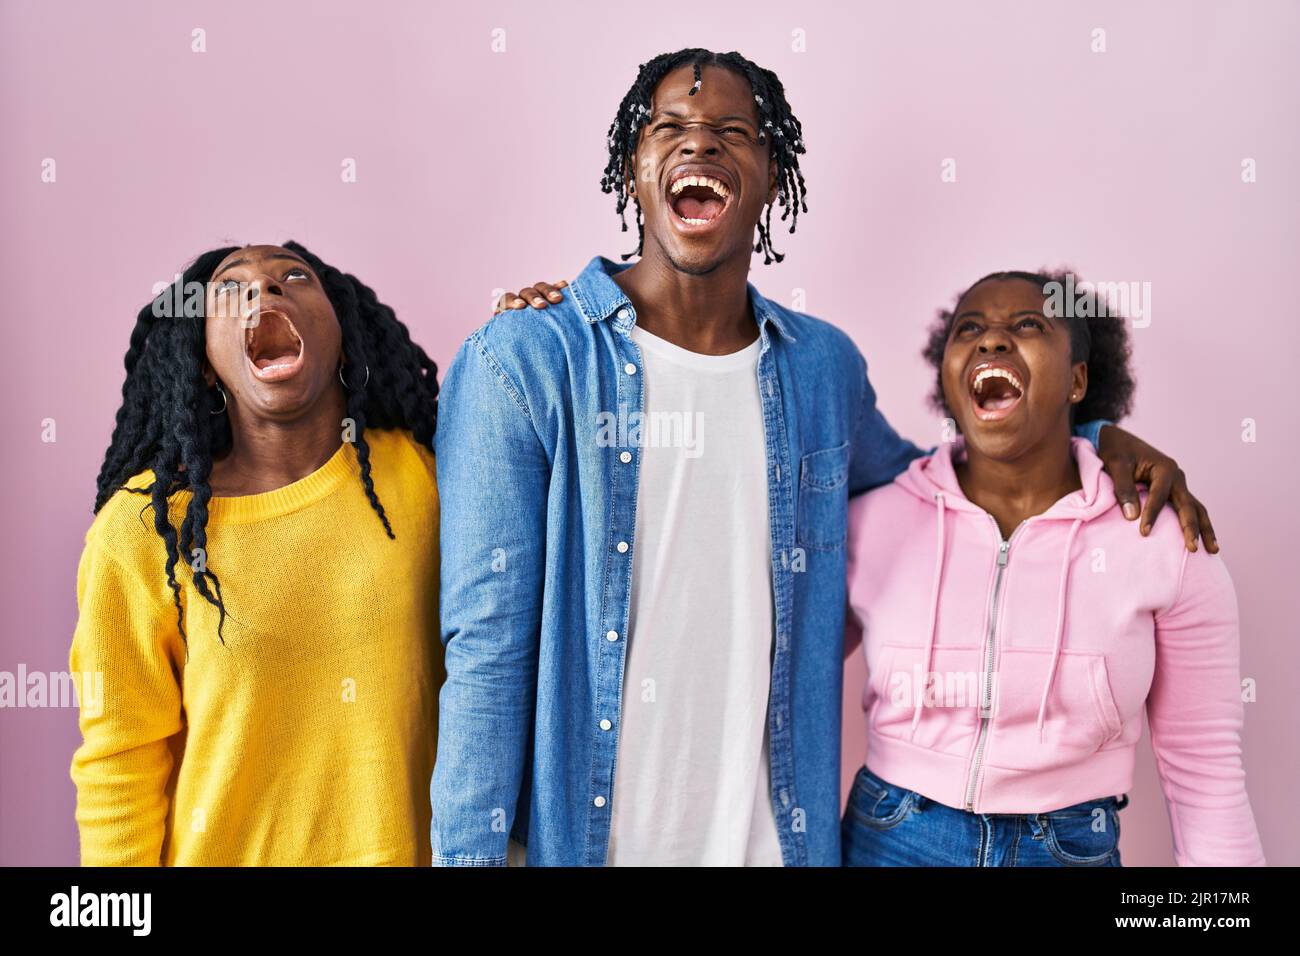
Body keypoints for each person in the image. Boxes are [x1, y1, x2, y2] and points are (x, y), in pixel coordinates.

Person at [436, 49, 1212, 867]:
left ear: (772, 176)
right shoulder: (523, 362)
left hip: (780, 845)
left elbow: (942, 483)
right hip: (587, 844)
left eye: (733, 132)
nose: (699, 145)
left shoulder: (821, 368)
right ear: (635, 167)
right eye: (670, 128)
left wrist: (1092, 434)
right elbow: (485, 653)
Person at [842, 271, 1265, 866]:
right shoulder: (871, 520)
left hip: (1067, 846)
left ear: (1077, 379)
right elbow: (773, 685)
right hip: (892, 835)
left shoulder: (1163, 536)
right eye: (971, 329)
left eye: (1027, 326)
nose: (991, 340)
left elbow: (1206, 770)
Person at [70, 243, 443, 865]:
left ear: (344, 338)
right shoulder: (146, 529)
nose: (263, 291)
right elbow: (120, 759)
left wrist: (535, 328)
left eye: (293, 278)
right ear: (207, 362)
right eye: (229, 287)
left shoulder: (422, 477)